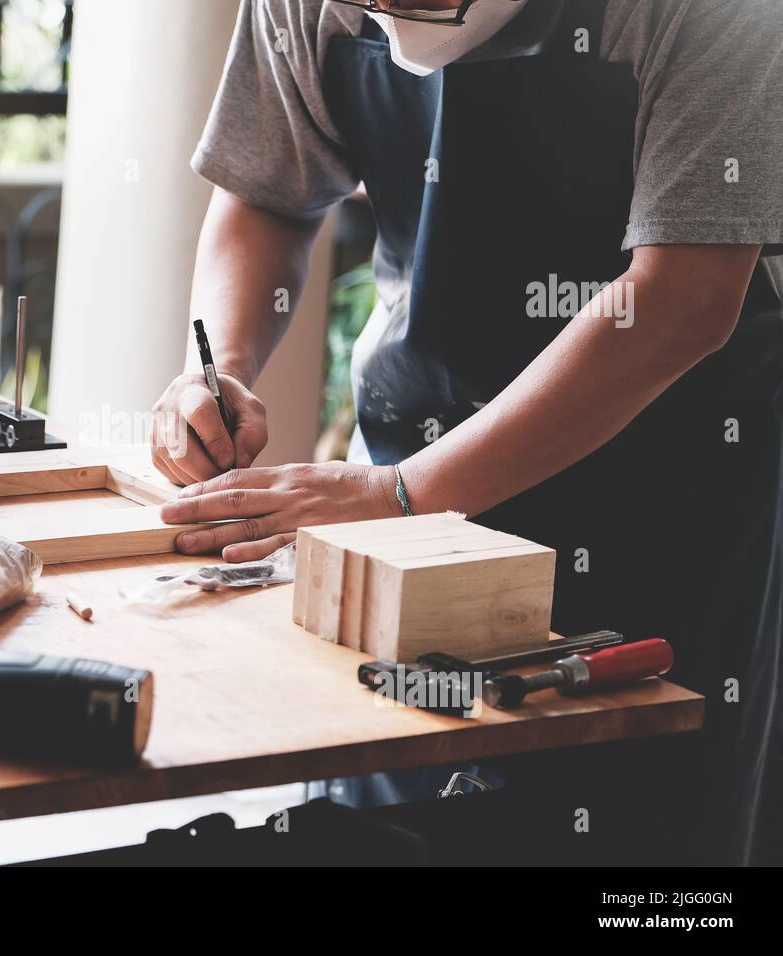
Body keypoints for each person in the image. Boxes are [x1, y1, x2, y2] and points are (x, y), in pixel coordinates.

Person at [151, 0, 783, 865]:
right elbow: (267, 192)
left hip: (666, 504)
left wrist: (401, 494)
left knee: (647, 846)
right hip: (409, 487)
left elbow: (681, 299)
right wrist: (218, 366)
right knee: (386, 821)